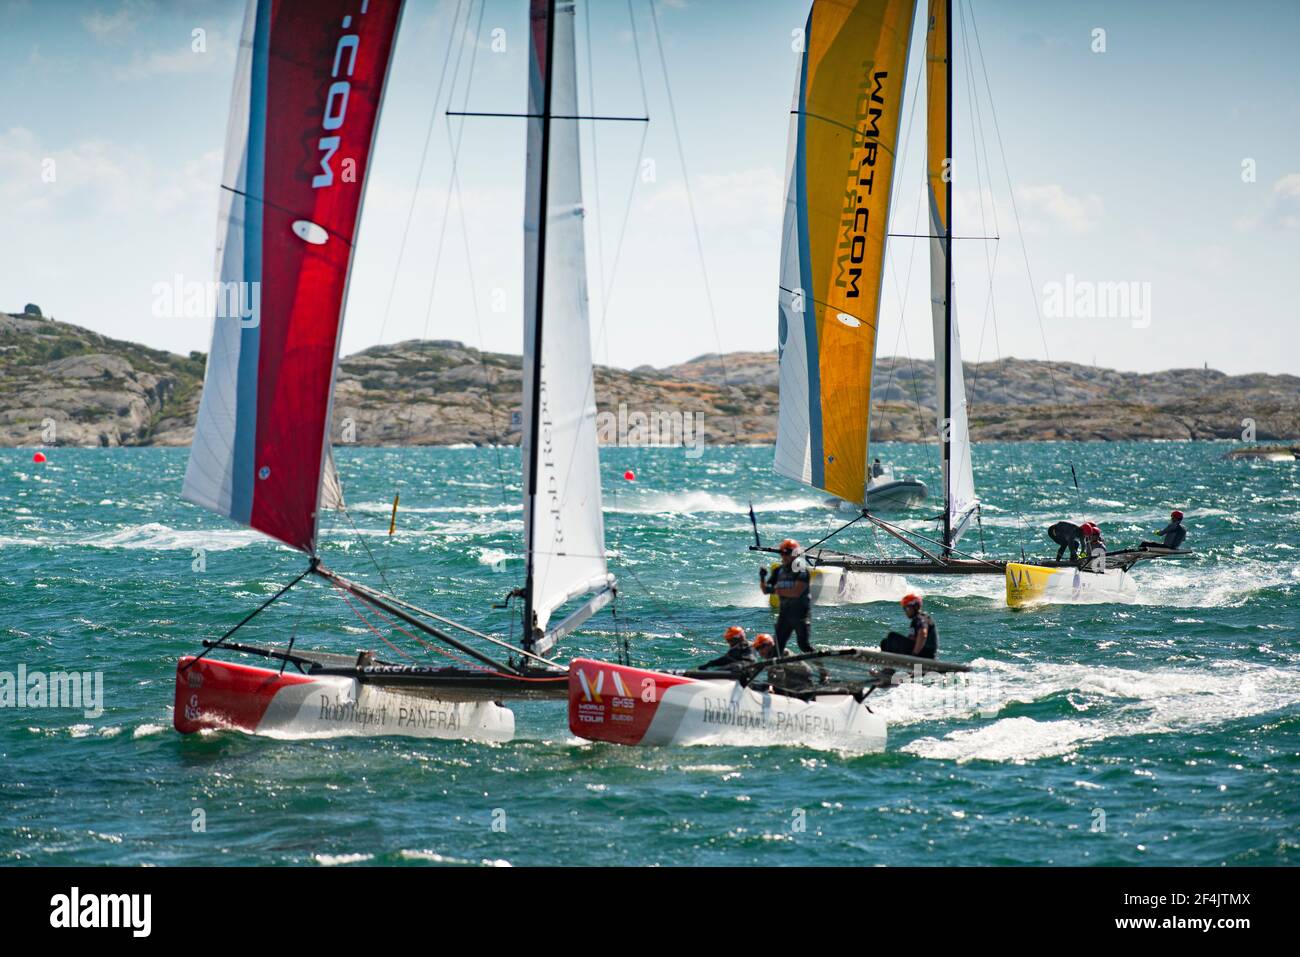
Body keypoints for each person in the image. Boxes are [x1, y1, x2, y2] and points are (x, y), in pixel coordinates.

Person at [759, 538, 814, 654]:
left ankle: (822, 670)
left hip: (800, 614)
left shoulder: (801, 570)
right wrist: (762, 578)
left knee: (803, 645)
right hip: (784, 614)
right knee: (777, 648)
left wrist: (777, 590)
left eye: (788, 553)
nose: (784, 556)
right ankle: (780, 669)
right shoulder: (779, 571)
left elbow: (796, 592)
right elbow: (765, 591)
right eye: (782, 553)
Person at [752, 633, 817, 691]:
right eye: (757, 648)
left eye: (762, 647)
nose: (760, 651)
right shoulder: (770, 659)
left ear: (770, 645)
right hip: (790, 686)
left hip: (801, 686)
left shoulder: (783, 654)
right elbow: (772, 678)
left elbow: (806, 670)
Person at [881, 593, 937, 659]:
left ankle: (888, 668)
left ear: (915, 607)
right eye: (904, 609)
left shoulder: (921, 618)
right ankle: (889, 666)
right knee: (885, 643)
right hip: (921, 655)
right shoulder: (915, 620)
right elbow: (912, 639)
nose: (906, 611)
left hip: (924, 654)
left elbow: (923, 633)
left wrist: (914, 654)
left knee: (892, 636)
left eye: (907, 608)